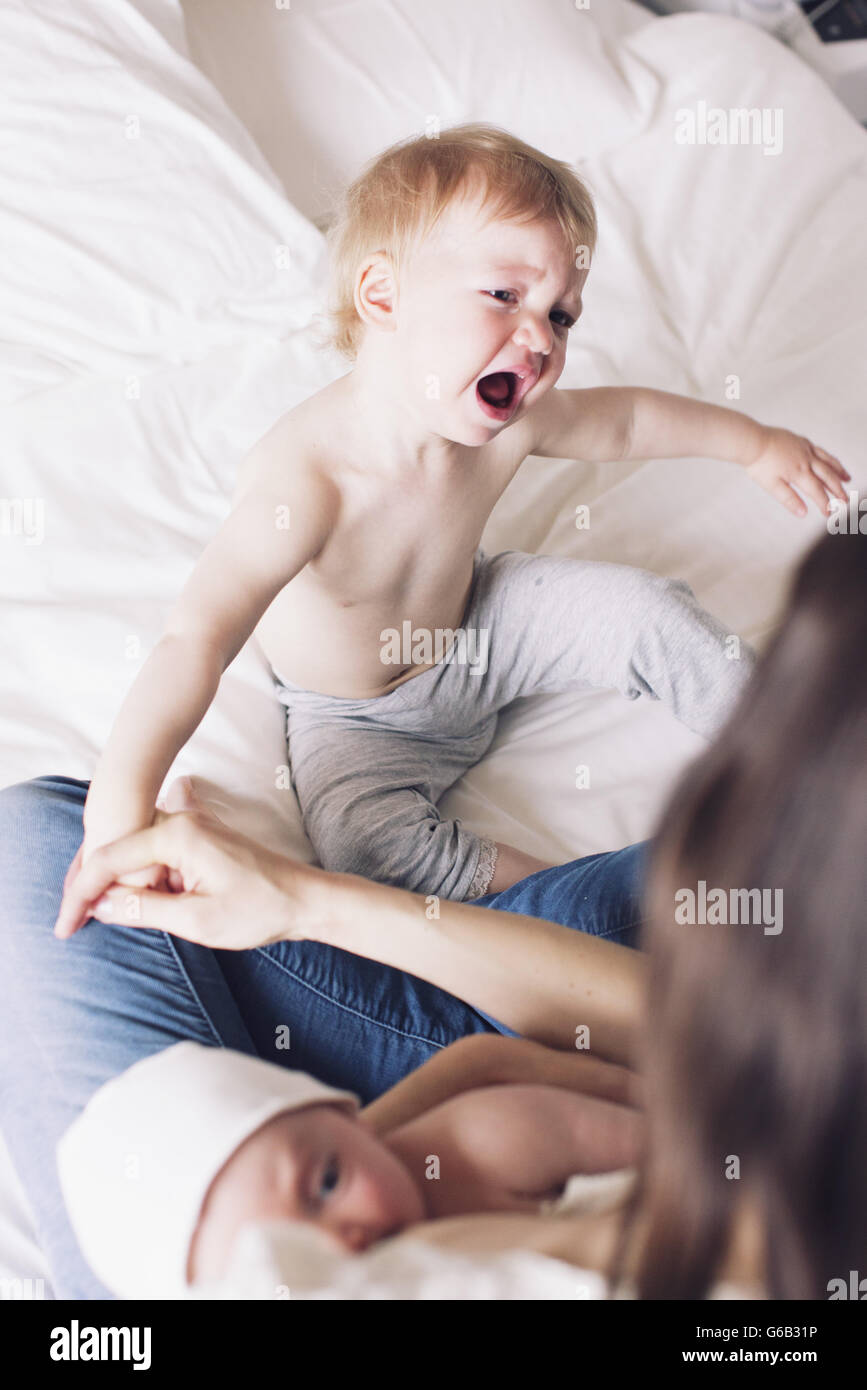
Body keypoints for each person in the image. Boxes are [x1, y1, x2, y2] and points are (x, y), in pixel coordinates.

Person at [47, 526, 867, 1299]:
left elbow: (740, 1210)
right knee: (54, 835)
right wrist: (358, 1131)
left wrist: (447, 1234)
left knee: (65, 860)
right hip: (685, 1007)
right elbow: (679, 1042)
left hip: (718, 1023)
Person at [79, 123, 846, 905]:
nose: (539, 337)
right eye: (505, 295)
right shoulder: (305, 481)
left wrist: (753, 445)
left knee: (645, 611)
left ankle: (799, 757)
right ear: (382, 296)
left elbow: (624, 424)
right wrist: (116, 817)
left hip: (483, 626)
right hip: (360, 719)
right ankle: (577, 903)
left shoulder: (510, 422)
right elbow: (196, 639)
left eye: (561, 315)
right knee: (363, 849)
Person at [56, 1039, 642, 1298]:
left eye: (328, 1184)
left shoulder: (486, 1143)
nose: (341, 1243)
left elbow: (681, 1151)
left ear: (357, 1122)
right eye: (290, 1265)